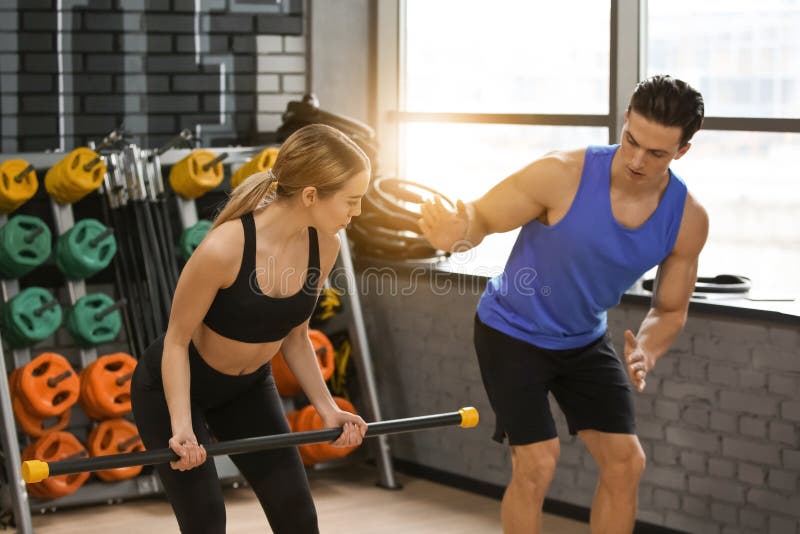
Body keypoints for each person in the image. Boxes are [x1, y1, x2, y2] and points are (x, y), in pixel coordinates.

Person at [419, 75, 708, 534]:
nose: (636, 160)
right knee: (537, 462)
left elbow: (670, 310)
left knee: (626, 462)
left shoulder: (687, 218)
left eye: (656, 154)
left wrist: (647, 350)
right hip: (511, 331)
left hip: (583, 340)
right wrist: (454, 233)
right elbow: (480, 218)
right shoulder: (560, 174)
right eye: (631, 140)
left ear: (682, 151)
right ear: (625, 120)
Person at [131, 124, 371, 534]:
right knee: (206, 522)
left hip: (247, 389)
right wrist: (182, 427)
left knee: (298, 517)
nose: (358, 211)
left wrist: (328, 408)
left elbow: (296, 338)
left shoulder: (325, 245)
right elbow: (176, 342)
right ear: (310, 195)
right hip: (174, 389)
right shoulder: (224, 248)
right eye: (351, 200)